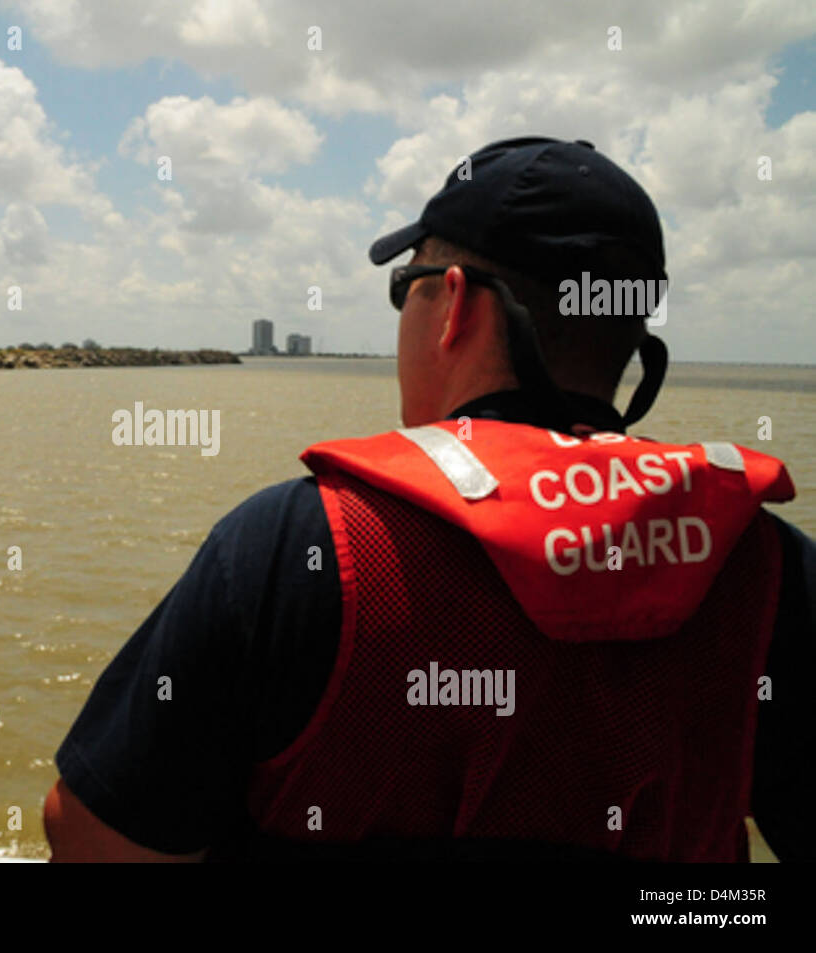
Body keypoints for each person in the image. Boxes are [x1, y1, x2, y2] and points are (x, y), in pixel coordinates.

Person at [44, 137, 816, 862]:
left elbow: (89, 833)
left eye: (401, 289)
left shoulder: (297, 544)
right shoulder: (769, 567)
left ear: (455, 305)